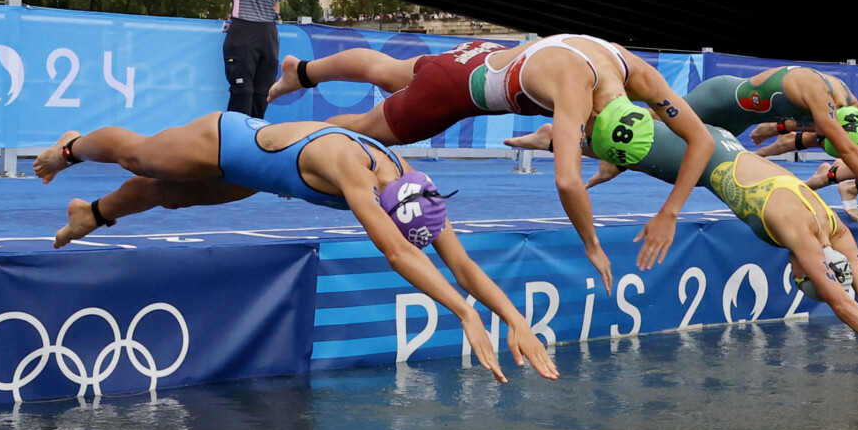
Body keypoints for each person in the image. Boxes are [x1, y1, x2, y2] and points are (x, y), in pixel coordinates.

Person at [32, 112, 558, 381]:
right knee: (143, 160)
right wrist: (464, 314)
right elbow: (399, 255)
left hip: (257, 173)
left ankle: (91, 214)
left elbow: (458, 261)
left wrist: (514, 319)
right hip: (225, 138)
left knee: (168, 198)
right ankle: (70, 149)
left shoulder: (412, 185)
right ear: (387, 206)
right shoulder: (352, 171)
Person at [514, 100, 858, 387]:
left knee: (625, 141)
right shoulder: (799, 236)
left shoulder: (834, 230)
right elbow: (844, 303)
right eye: (797, 279)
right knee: (618, 137)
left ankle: (571, 138)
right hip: (702, 156)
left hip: (720, 145)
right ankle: (553, 131)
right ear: (809, 271)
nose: (790, 275)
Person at [270, 35, 721, 286]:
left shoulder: (631, 68)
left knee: (388, 70)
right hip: (451, 93)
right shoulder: (575, 97)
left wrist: (670, 212)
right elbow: (567, 182)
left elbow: (699, 139)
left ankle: (302, 71)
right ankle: (290, 144)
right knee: (364, 133)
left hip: (479, 54)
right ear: (594, 118)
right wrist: (592, 245)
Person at [686, 63, 858, 232]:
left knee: (699, 159)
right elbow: (850, 152)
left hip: (742, 119)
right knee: (661, 116)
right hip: (720, 98)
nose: (821, 138)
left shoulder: (853, 109)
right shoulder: (818, 93)